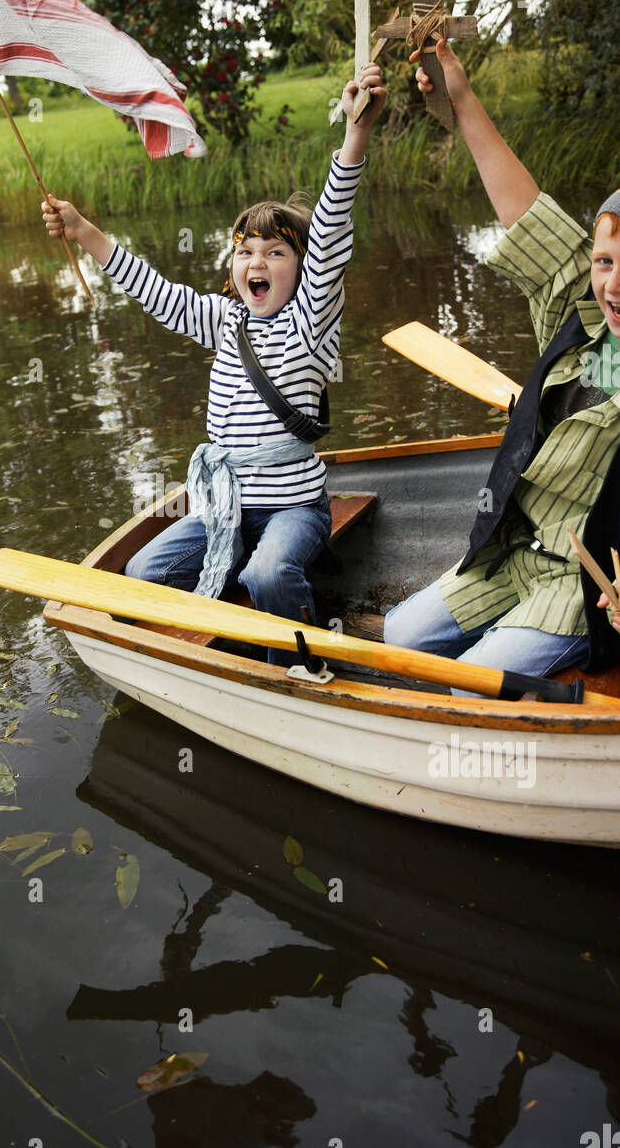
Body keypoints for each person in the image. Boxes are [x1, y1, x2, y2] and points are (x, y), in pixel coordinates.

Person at [42, 63, 386, 665]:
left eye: (277, 251)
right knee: (147, 571)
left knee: (273, 573)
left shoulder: (309, 323)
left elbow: (330, 232)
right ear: (233, 269)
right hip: (222, 504)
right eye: (246, 251)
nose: (258, 260)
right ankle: (236, 632)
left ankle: (301, 667)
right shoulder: (225, 321)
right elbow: (152, 289)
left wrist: (354, 137)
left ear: (304, 271)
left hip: (292, 508)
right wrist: (83, 231)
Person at [384, 38, 620, 687]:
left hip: (585, 584)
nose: (614, 282)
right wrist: (461, 100)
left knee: (473, 682)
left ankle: (555, 672)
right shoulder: (581, 313)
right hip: (514, 550)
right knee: (399, 636)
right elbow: (525, 211)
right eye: (605, 262)